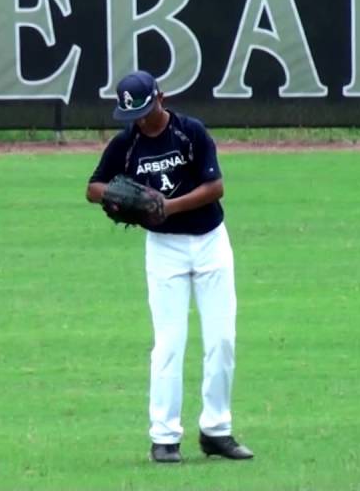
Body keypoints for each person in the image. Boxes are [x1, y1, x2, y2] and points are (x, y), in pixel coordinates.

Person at [86, 70, 254, 464]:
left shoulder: (190, 132)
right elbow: (92, 187)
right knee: (169, 344)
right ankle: (164, 438)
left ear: (160, 96)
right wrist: (115, 195)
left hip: (211, 243)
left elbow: (216, 188)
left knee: (222, 339)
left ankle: (217, 431)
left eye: (145, 109)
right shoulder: (126, 144)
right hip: (164, 250)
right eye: (134, 114)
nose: (141, 119)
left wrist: (166, 205)